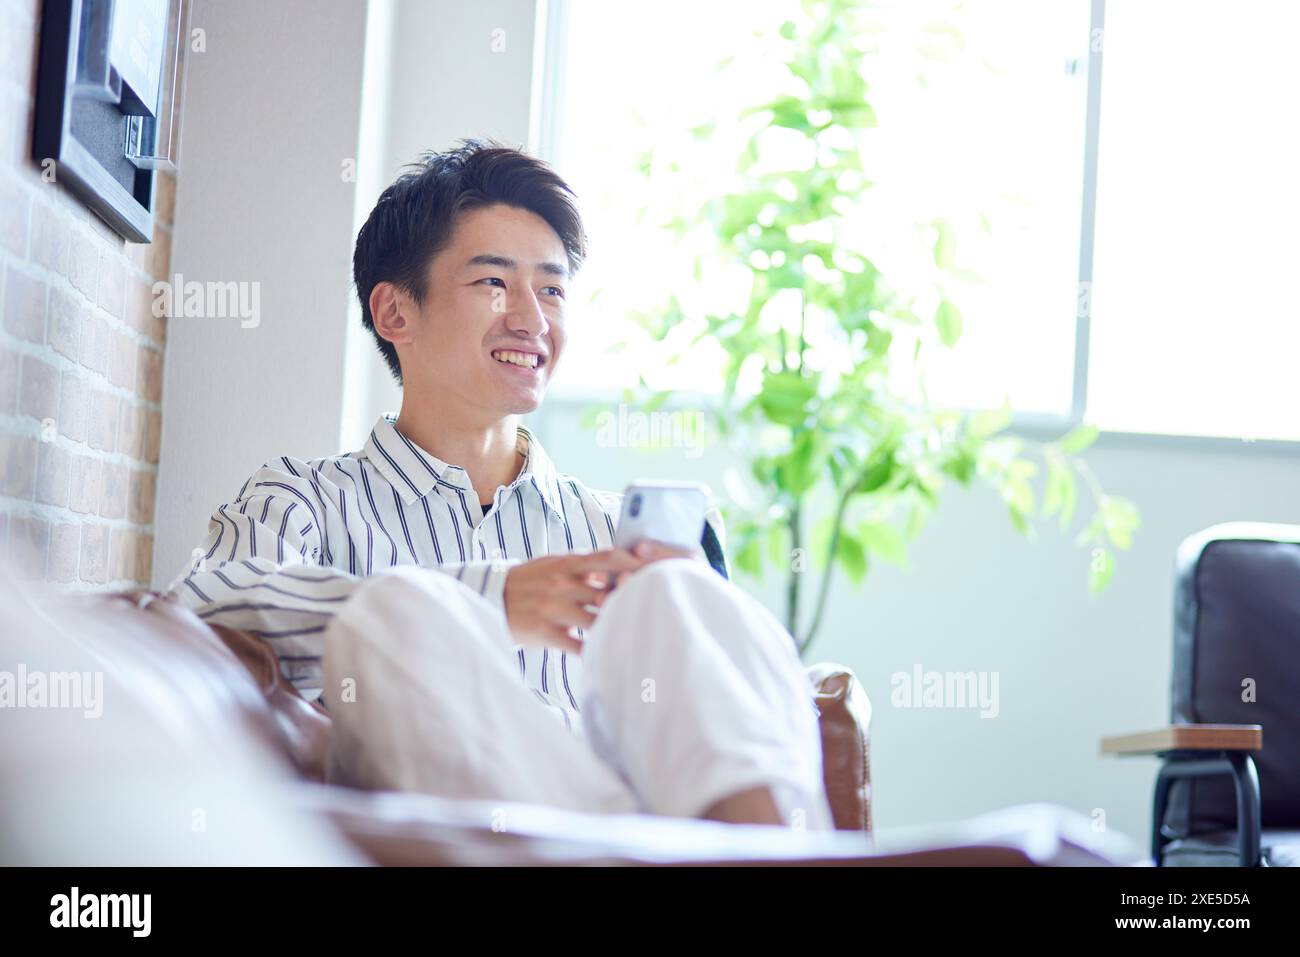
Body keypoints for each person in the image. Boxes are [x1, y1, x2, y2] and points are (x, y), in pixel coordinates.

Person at [167, 139, 834, 830]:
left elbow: (752, 701)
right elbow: (197, 607)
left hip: (641, 827)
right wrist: (494, 597)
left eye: (551, 288)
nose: (533, 318)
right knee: (395, 615)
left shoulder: (612, 531)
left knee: (676, 589)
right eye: (494, 282)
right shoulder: (303, 498)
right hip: (460, 839)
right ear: (396, 313)